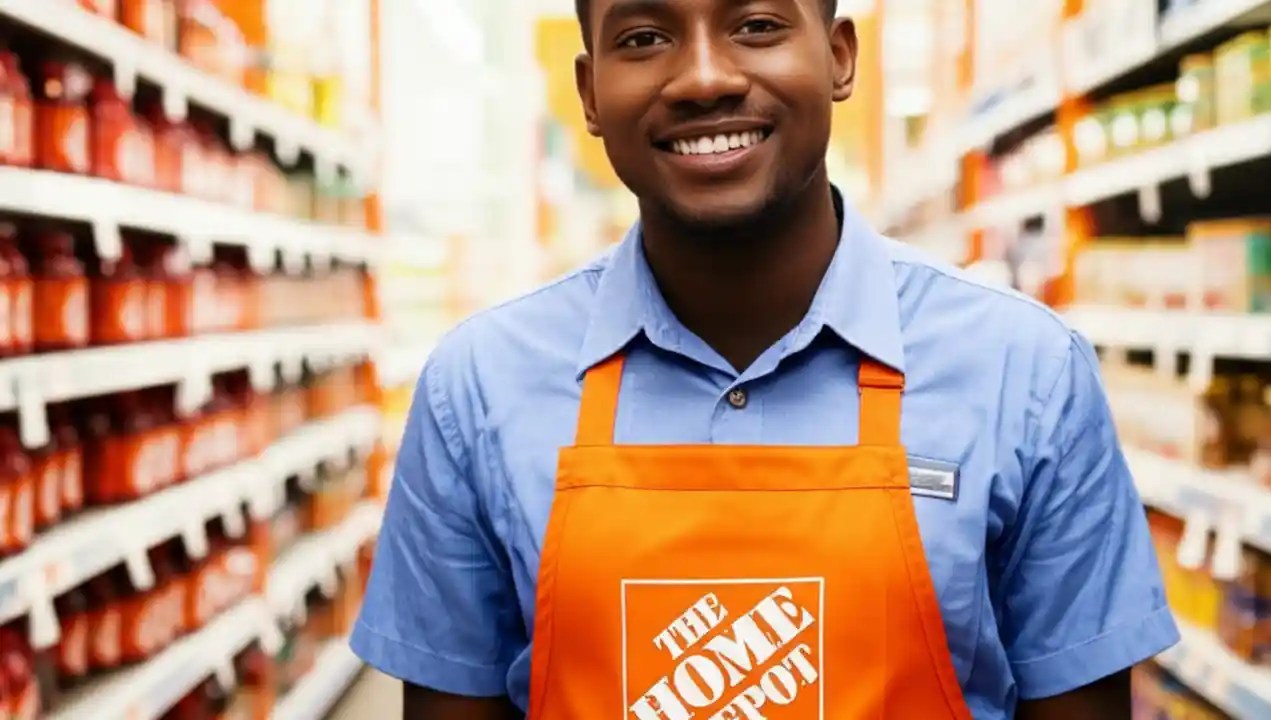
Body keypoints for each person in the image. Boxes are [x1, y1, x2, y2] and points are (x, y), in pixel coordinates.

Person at [351, 0, 1180, 718]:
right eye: (643, 38)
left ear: (839, 56)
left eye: (755, 25)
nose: (703, 77)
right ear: (590, 92)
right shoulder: (479, 388)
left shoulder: (1026, 374)